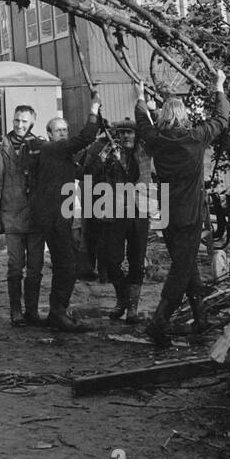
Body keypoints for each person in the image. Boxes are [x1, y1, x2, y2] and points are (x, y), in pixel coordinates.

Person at [133, 70, 230, 349]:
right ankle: (159, 321)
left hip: (167, 213)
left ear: (163, 116)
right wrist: (219, 86)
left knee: (185, 266)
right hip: (190, 215)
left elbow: (142, 120)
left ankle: (200, 318)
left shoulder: (155, 139)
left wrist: (140, 96)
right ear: (184, 115)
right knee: (181, 270)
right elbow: (221, 118)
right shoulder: (196, 137)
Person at [27, 96, 101, 331]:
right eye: (58, 130)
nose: (63, 134)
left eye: (65, 130)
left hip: (58, 216)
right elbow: (85, 138)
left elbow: (84, 171)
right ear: (49, 134)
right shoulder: (51, 149)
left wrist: (101, 149)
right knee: (67, 266)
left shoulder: (61, 156)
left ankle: (56, 312)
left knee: (65, 265)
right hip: (54, 217)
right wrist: (94, 111)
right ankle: (58, 314)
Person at [79, 118, 150, 322]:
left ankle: (132, 308)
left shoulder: (144, 151)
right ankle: (123, 299)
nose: (126, 136)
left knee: (137, 261)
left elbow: (150, 131)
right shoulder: (108, 154)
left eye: (130, 132)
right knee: (111, 260)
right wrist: (105, 152)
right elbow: (88, 173)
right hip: (115, 212)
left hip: (140, 211)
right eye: (123, 132)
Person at [0, 104, 41, 325]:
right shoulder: (3, 150)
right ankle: (16, 312)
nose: (19, 125)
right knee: (16, 265)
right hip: (13, 217)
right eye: (17, 120)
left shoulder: (39, 146)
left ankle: (33, 311)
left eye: (24, 121)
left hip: (36, 218)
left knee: (35, 267)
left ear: (32, 123)